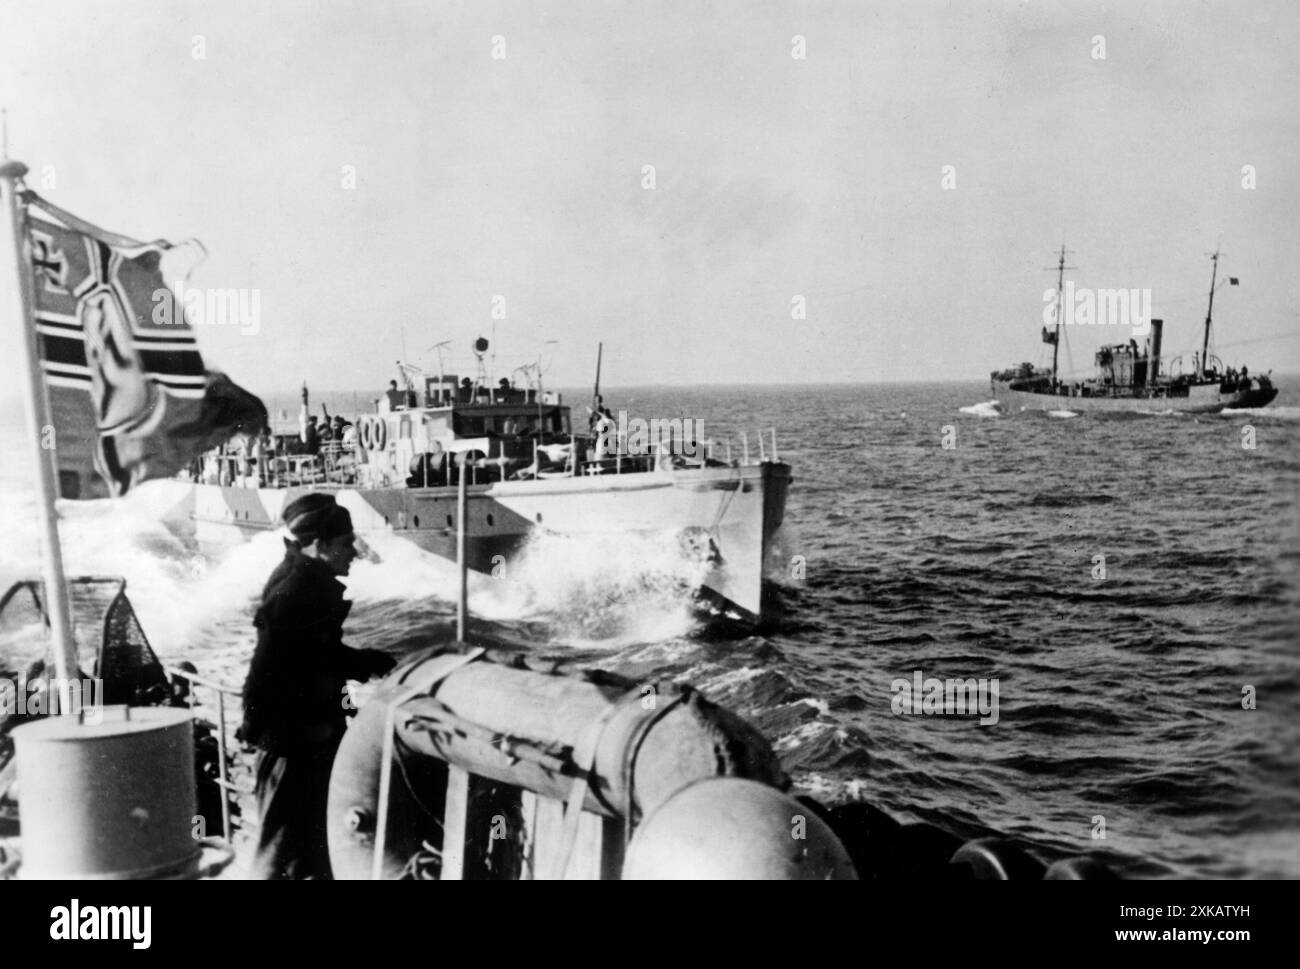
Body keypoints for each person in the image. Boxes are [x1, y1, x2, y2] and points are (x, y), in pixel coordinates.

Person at [239, 494, 396, 879]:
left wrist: (363, 660)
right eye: (345, 543)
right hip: (292, 742)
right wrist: (365, 661)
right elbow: (282, 663)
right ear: (319, 546)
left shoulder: (303, 579)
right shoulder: (296, 591)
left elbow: (311, 652)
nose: (354, 553)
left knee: (317, 843)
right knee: (277, 852)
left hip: (309, 737)